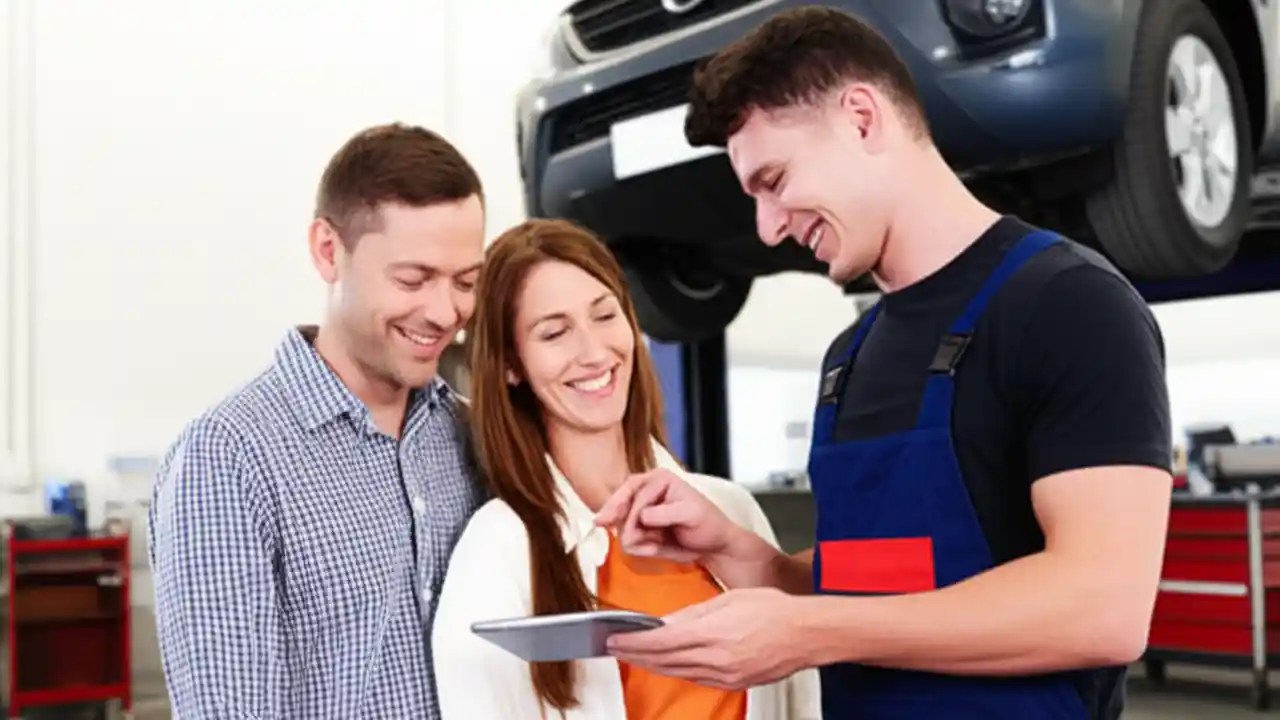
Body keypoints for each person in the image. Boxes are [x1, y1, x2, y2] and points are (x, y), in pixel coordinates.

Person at [594, 7, 1173, 720]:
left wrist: (809, 632)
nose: (768, 227)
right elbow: (887, 581)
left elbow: (1102, 606)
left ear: (862, 119)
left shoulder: (1069, 306)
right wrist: (749, 559)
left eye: (773, 180)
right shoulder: (851, 357)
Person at [147, 123, 488, 719]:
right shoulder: (228, 458)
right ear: (329, 251)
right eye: (413, 279)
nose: (444, 313)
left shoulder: (467, 435)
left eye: (465, 282)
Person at [430, 218, 821, 720]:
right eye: (555, 332)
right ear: (511, 365)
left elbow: (799, 701)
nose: (594, 353)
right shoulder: (498, 548)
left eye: (605, 315)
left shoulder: (730, 510)